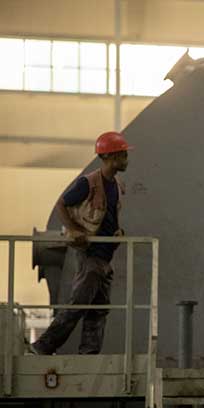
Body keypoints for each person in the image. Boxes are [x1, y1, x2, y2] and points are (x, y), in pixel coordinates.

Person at [31, 132, 131, 355]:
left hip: (105, 257)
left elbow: (109, 216)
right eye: (123, 155)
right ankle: (43, 345)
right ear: (110, 157)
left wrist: (117, 232)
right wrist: (74, 230)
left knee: (99, 309)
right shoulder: (88, 183)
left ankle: (89, 353)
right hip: (90, 254)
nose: (127, 159)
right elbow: (62, 204)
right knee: (78, 305)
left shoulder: (116, 184)